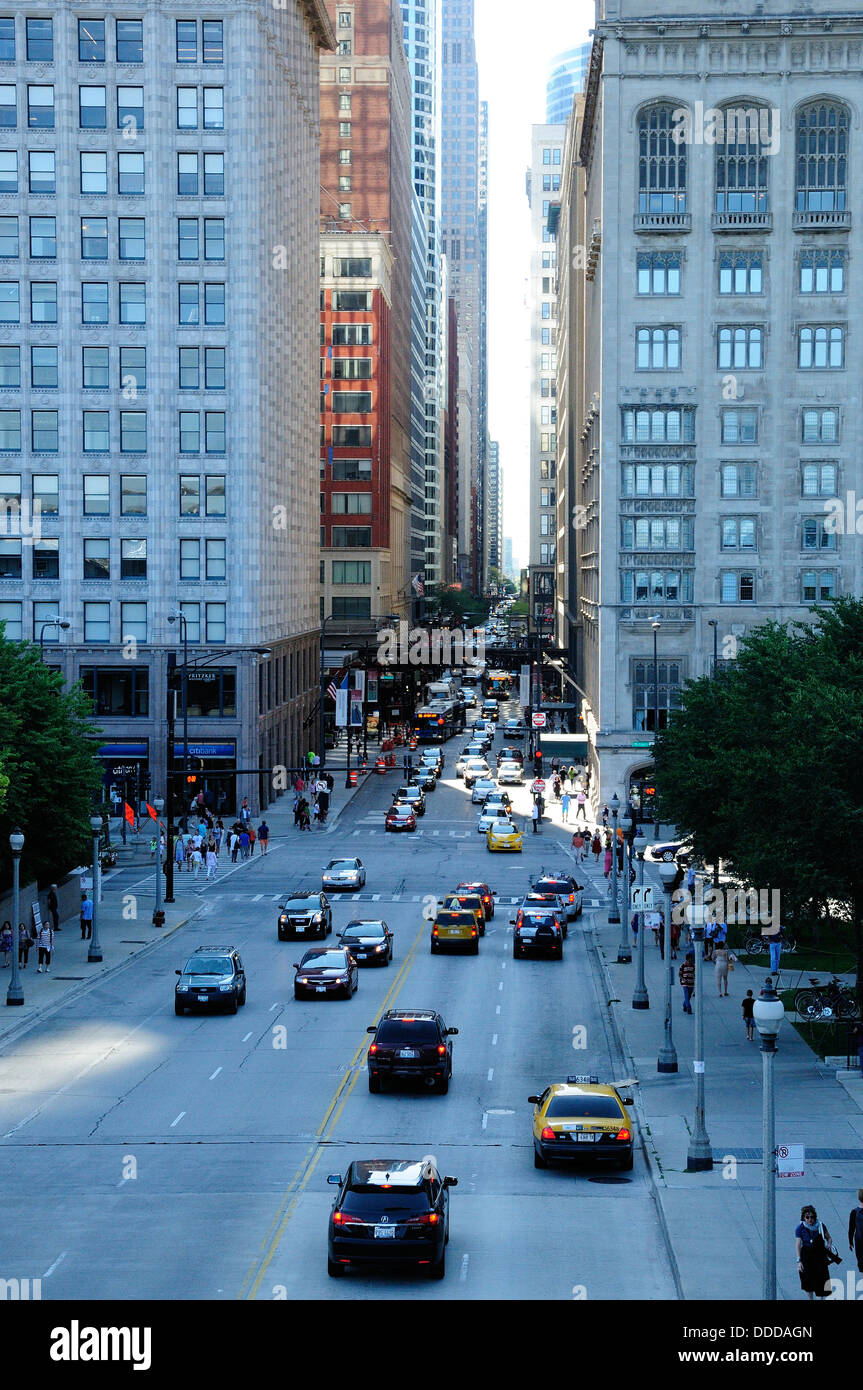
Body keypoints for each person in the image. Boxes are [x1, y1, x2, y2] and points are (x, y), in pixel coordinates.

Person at [795, 1206, 833, 1299]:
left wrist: (829, 1245)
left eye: (812, 1217)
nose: (810, 1219)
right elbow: (798, 1245)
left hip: (819, 1255)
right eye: (807, 1217)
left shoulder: (820, 1225)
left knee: (821, 1280)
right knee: (808, 1281)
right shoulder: (800, 1228)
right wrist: (799, 1261)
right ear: (803, 1218)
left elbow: (829, 1238)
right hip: (807, 1255)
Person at [848, 1190, 863, 1273]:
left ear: (858, 1198)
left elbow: (851, 1228)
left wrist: (850, 1242)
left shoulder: (854, 1212)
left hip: (859, 1241)